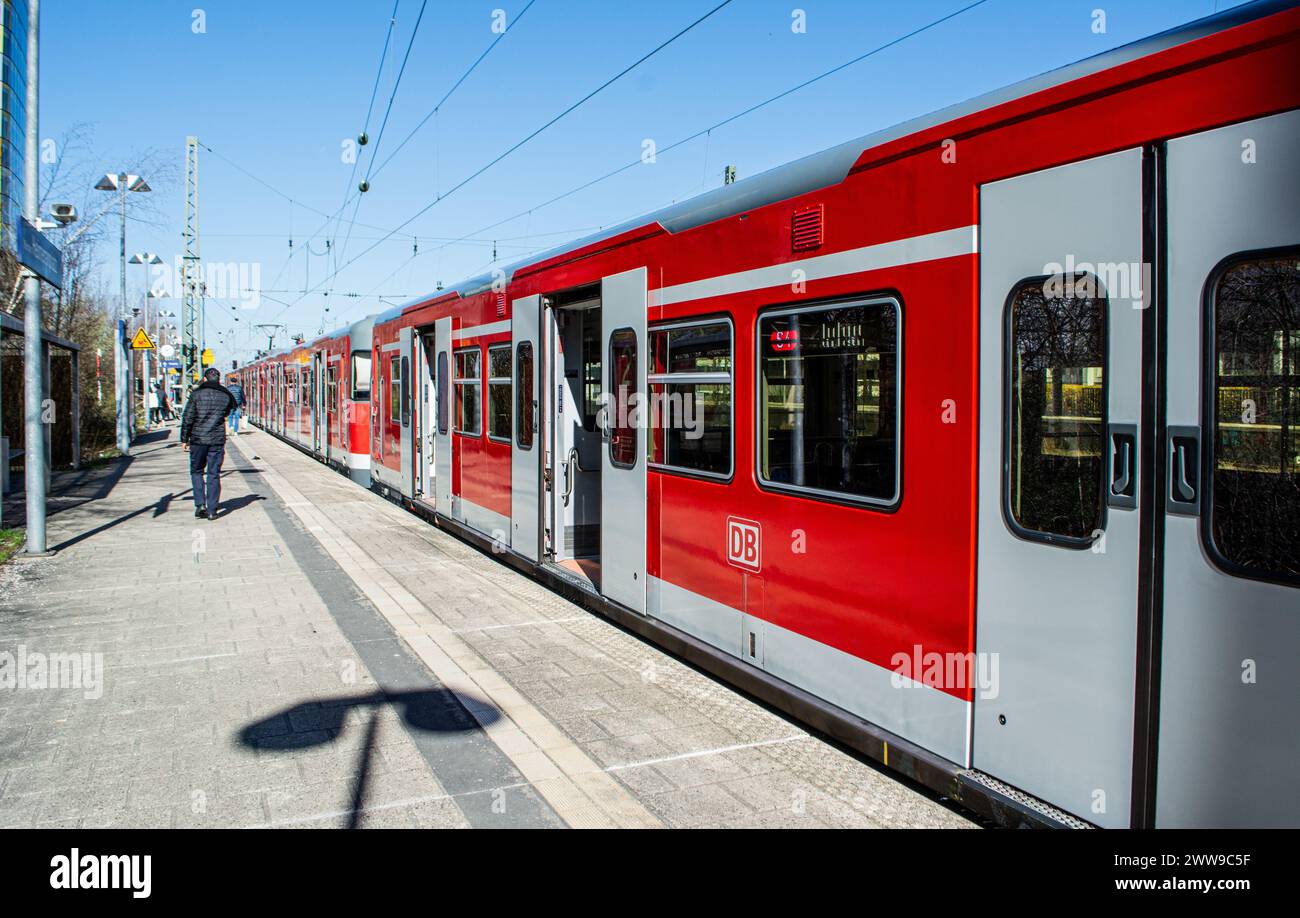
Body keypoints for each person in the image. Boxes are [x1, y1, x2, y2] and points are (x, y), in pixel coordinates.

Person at [181, 367, 236, 520]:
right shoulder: (226, 395)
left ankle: (200, 505)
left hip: (198, 439)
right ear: (218, 379)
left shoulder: (196, 394)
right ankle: (212, 510)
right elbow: (228, 412)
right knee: (214, 474)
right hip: (217, 440)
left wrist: (184, 439)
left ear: (205, 379)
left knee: (197, 471)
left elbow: (188, 417)